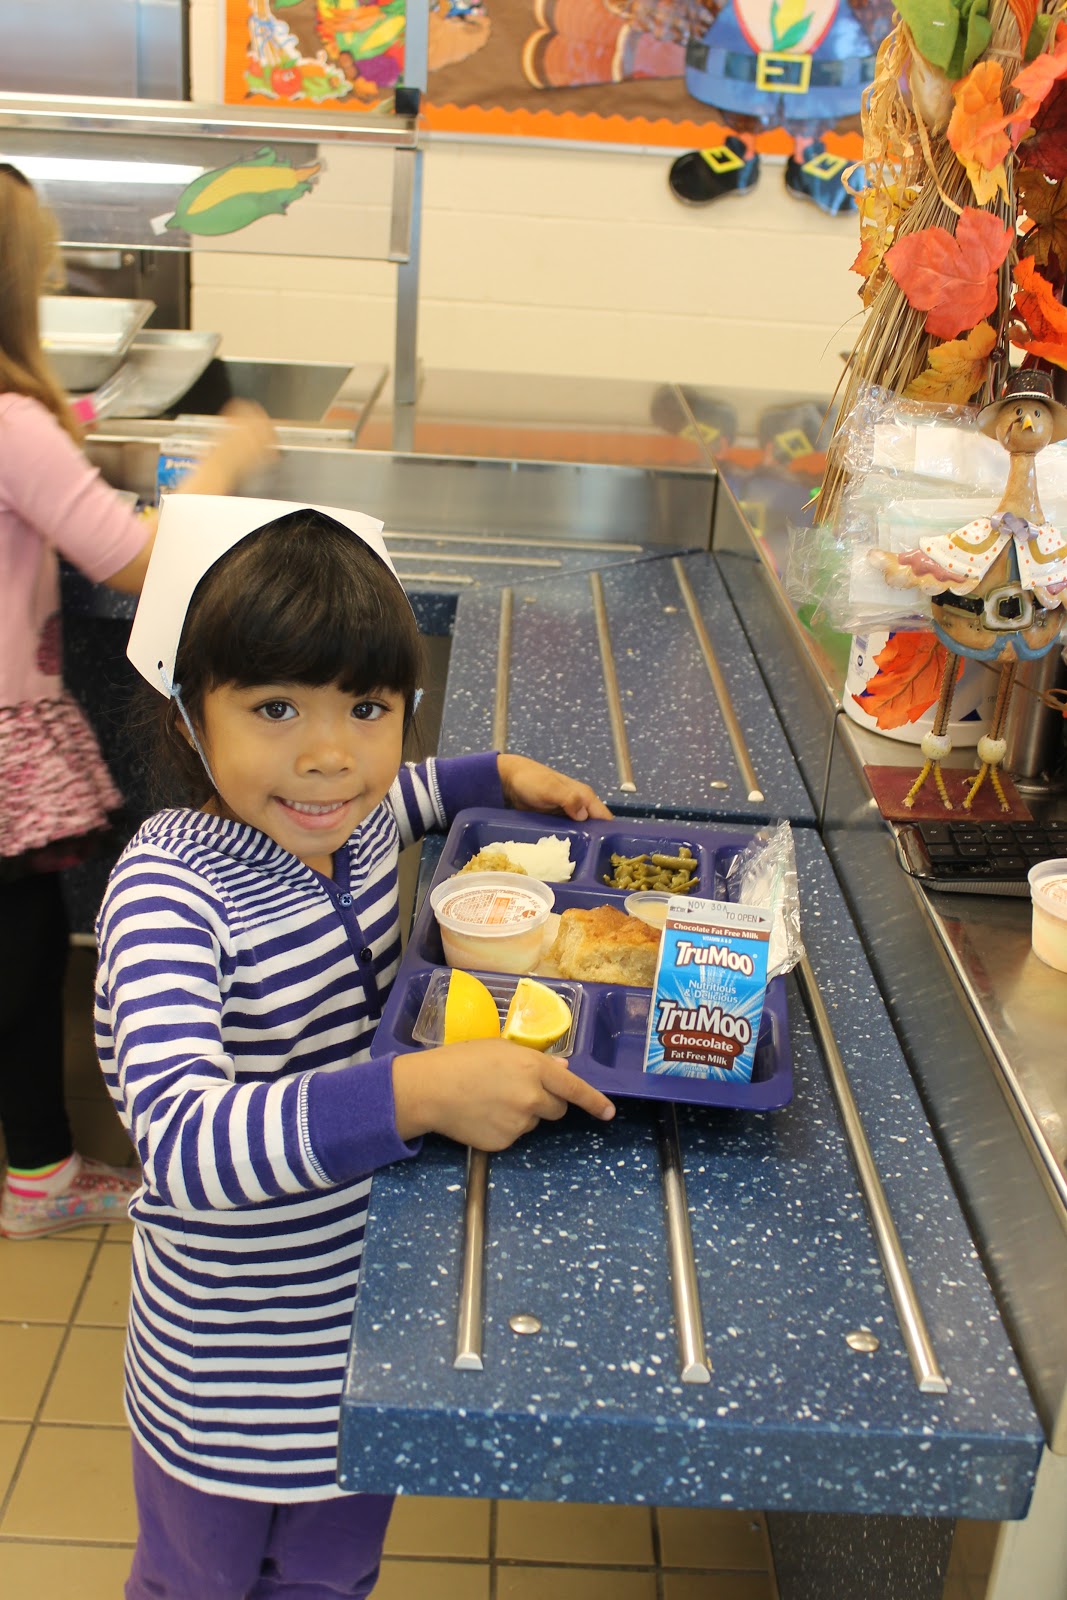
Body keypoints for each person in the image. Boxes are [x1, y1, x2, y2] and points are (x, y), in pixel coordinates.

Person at [93, 494, 617, 1600]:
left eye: (368, 707)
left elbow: (408, 793)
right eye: (275, 707)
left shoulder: (352, 817)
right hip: (225, 1357)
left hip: (361, 1319)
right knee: (195, 1582)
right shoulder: (169, 894)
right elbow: (183, 1142)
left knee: (331, 1576)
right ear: (189, 715)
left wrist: (495, 774)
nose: (330, 756)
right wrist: (412, 1093)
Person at [0, 161, 276, 1240]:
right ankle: (39, 1177)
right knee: (21, 957)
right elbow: (134, 556)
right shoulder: (12, 422)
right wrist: (228, 456)